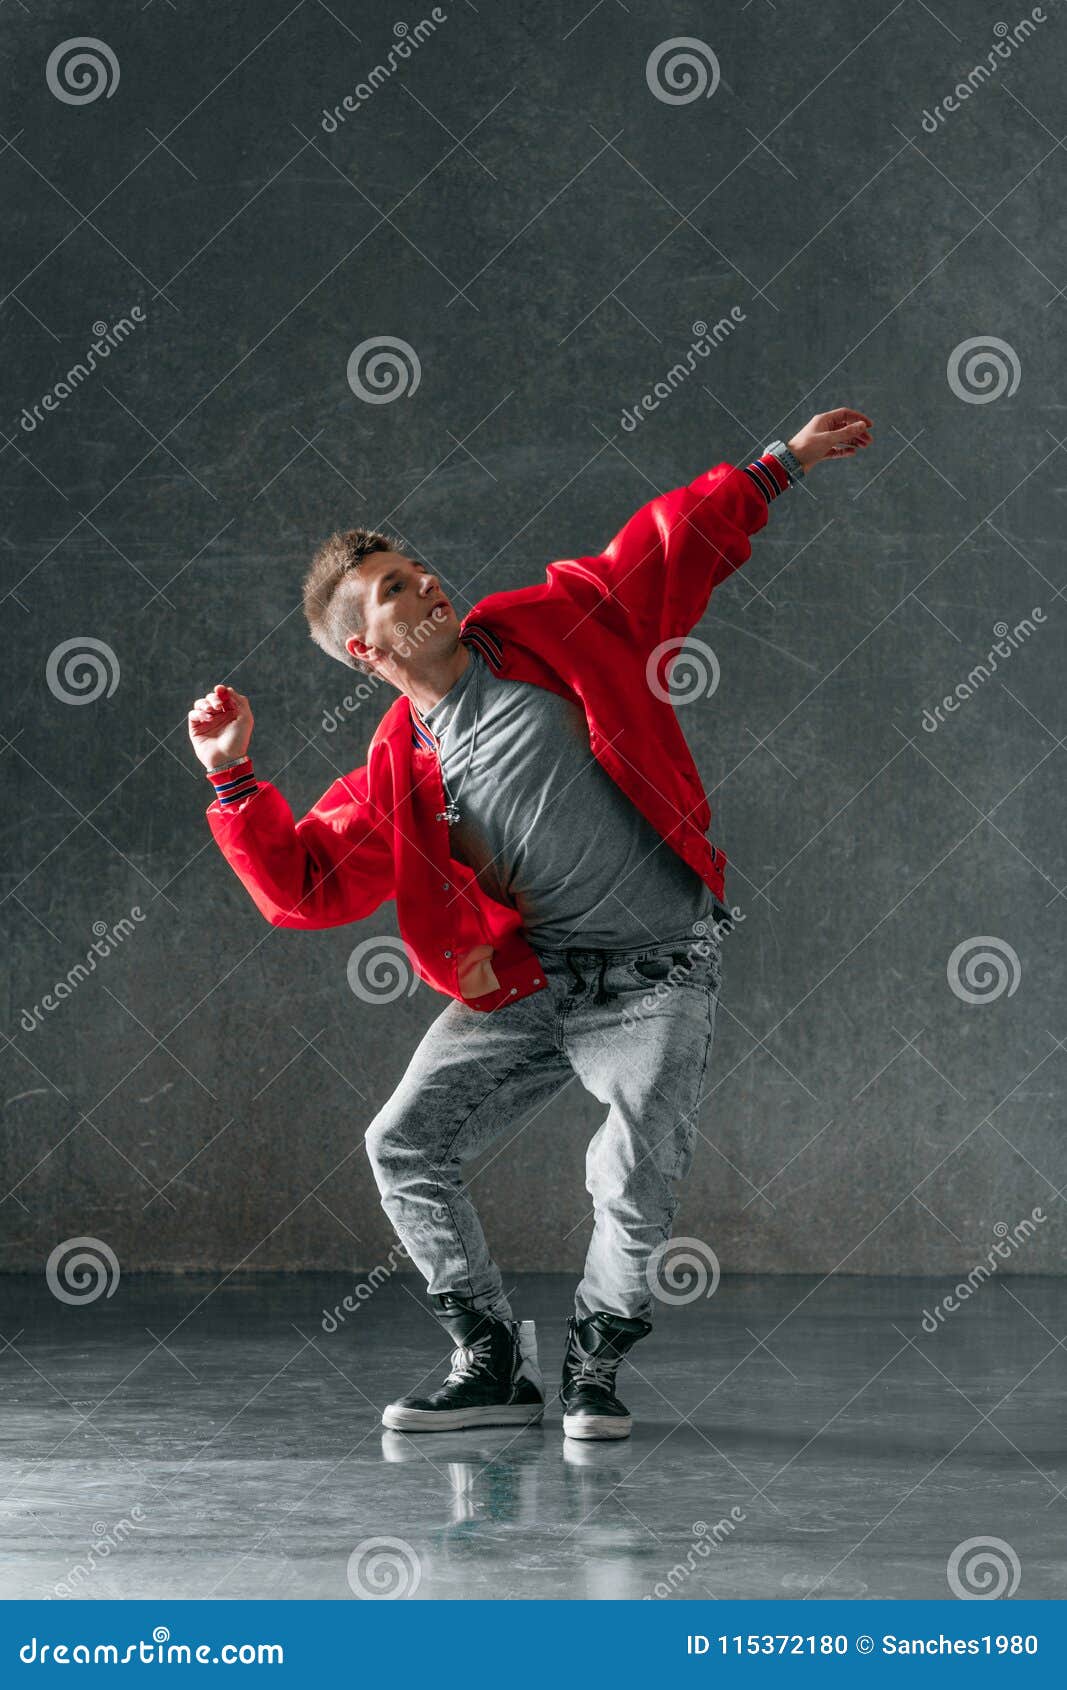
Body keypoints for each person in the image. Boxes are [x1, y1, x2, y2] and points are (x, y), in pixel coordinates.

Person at [188, 409, 873, 1439]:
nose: (424, 583)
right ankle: (490, 1362)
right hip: (532, 978)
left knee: (633, 1176)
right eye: (394, 589)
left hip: (657, 972)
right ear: (365, 651)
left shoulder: (555, 623)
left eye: (417, 569)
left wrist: (777, 466)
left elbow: (663, 544)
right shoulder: (395, 770)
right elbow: (310, 882)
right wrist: (233, 776)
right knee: (402, 1142)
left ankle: (593, 1359)